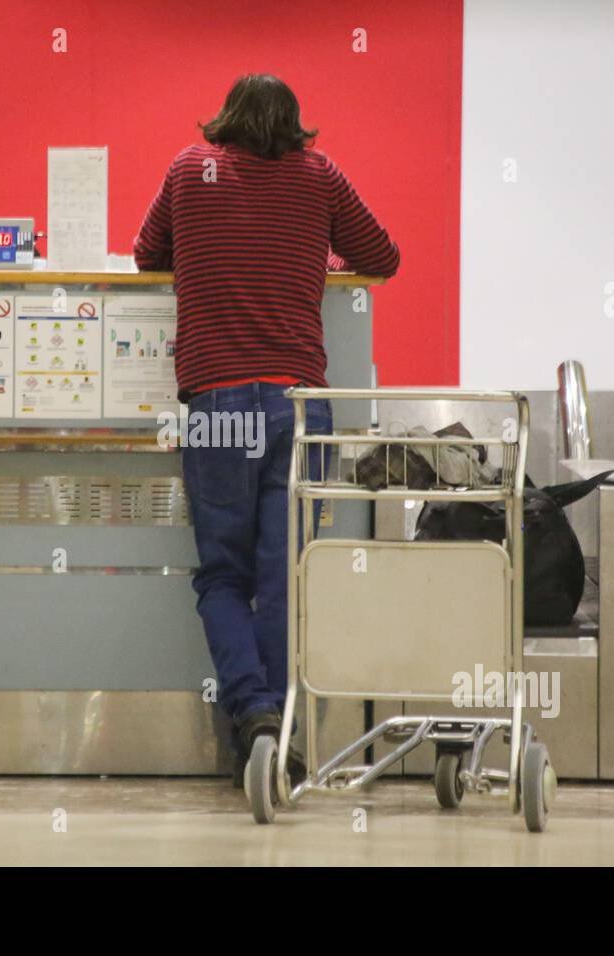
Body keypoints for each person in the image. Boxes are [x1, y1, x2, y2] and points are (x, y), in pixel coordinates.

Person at [134, 73, 399, 787]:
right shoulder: (318, 175)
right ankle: (281, 732)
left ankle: (250, 712)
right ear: (296, 124)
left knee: (223, 572)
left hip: (218, 402)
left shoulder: (192, 168)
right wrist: (323, 255)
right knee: (284, 575)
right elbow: (385, 257)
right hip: (299, 405)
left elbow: (145, 252)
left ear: (224, 117)